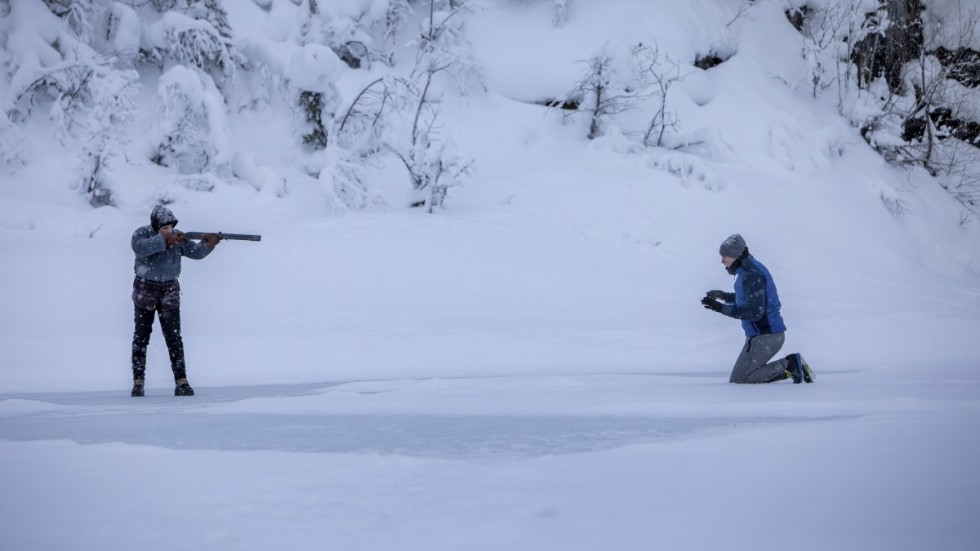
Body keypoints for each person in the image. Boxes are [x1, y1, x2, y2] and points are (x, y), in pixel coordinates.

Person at [130, 205, 221, 397]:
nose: (169, 230)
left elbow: (195, 252)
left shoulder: (178, 236)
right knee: (141, 336)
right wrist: (163, 240)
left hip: (169, 290)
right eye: (164, 228)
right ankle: (138, 381)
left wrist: (208, 244)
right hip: (145, 289)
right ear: (155, 226)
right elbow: (140, 249)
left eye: (170, 227)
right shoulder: (141, 234)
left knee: (174, 338)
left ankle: (181, 380)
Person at [700, 234, 814, 384]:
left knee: (740, 380)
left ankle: (789, 365)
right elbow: (749, 298)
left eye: (725, 256)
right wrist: (724, 296)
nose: (722, 261)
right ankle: (791, 366)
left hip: (764, 336)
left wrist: (721, 308)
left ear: (735, 255)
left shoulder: (752, 274)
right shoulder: (748, 270)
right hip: (766, 336)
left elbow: (754, 312)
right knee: (741, 379)